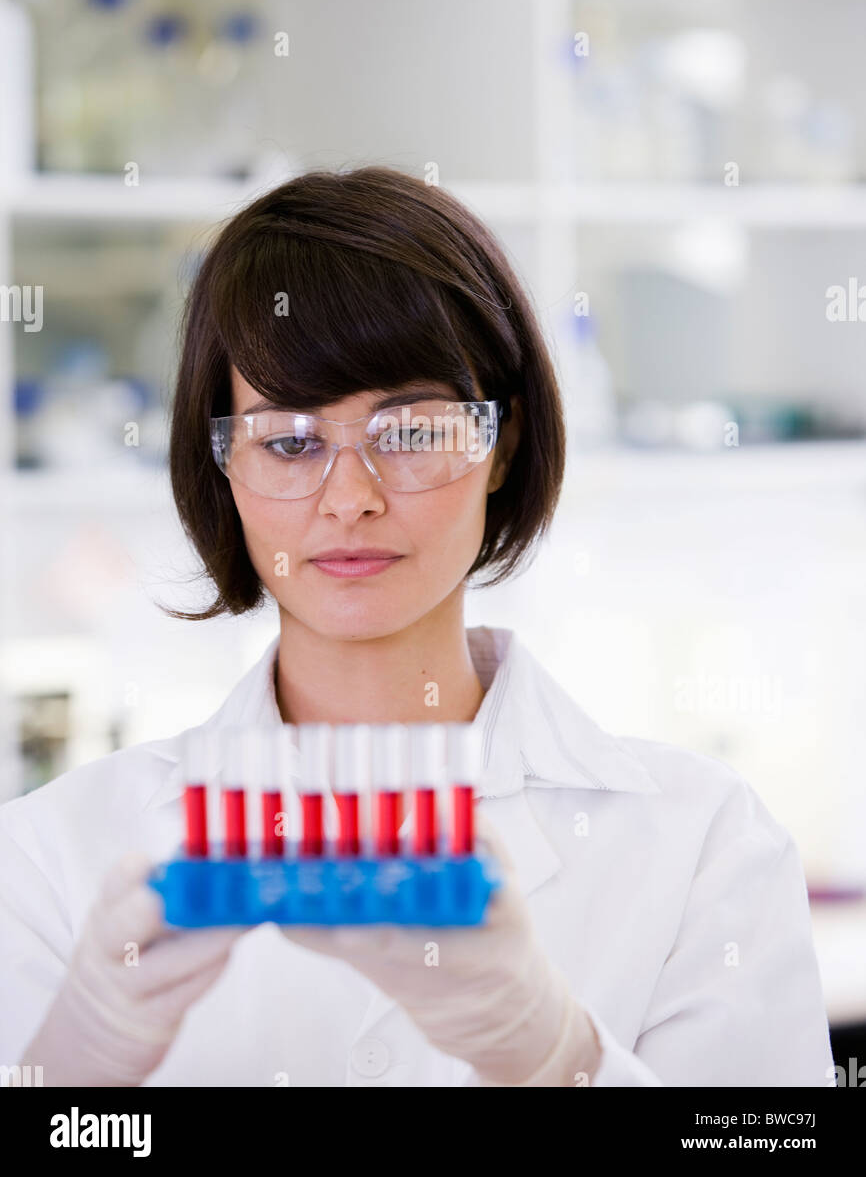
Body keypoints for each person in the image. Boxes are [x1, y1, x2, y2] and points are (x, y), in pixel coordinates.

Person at [0, 167, 834, 1087]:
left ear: (500, 444)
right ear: (225, 465)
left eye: (413, 431)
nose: (350, 498)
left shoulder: (703, 846)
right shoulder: (52, 859)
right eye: (288, 441)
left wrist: (560, 1059)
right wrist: (70, 1071)